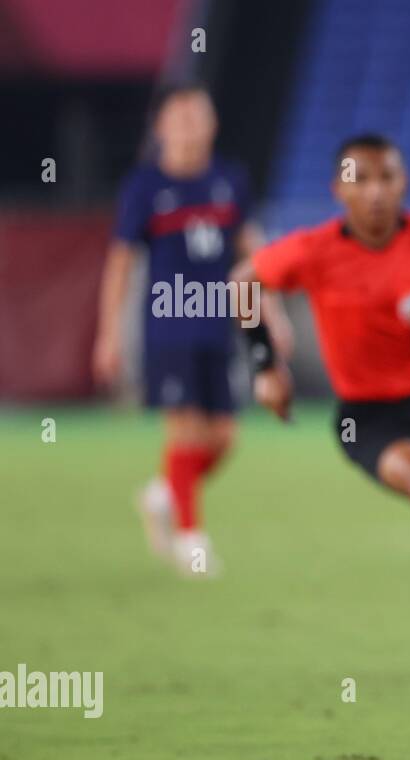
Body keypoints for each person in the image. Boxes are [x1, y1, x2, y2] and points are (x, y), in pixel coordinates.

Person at [229, 134, 410, 664]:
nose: (374, 191)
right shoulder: (314, 249)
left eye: (385, 177)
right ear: (338, 189)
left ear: (402, 182)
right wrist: (265, 364)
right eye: (359, 179)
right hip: (366, 415)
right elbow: (244, 281)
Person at [94, 81, 291, 576]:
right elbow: (119, 264)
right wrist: (109, 334)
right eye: (177, 117)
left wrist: (273, 314)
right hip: (167, 325)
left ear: (212, 123)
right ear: (160, 127)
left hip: (217, 324)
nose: (187, 126)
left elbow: (251, 255)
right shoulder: (144, 187)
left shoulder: (230, 180)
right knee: (184, 429)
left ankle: (164, 493)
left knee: (224, 437)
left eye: (196, 115)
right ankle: (191, 542)